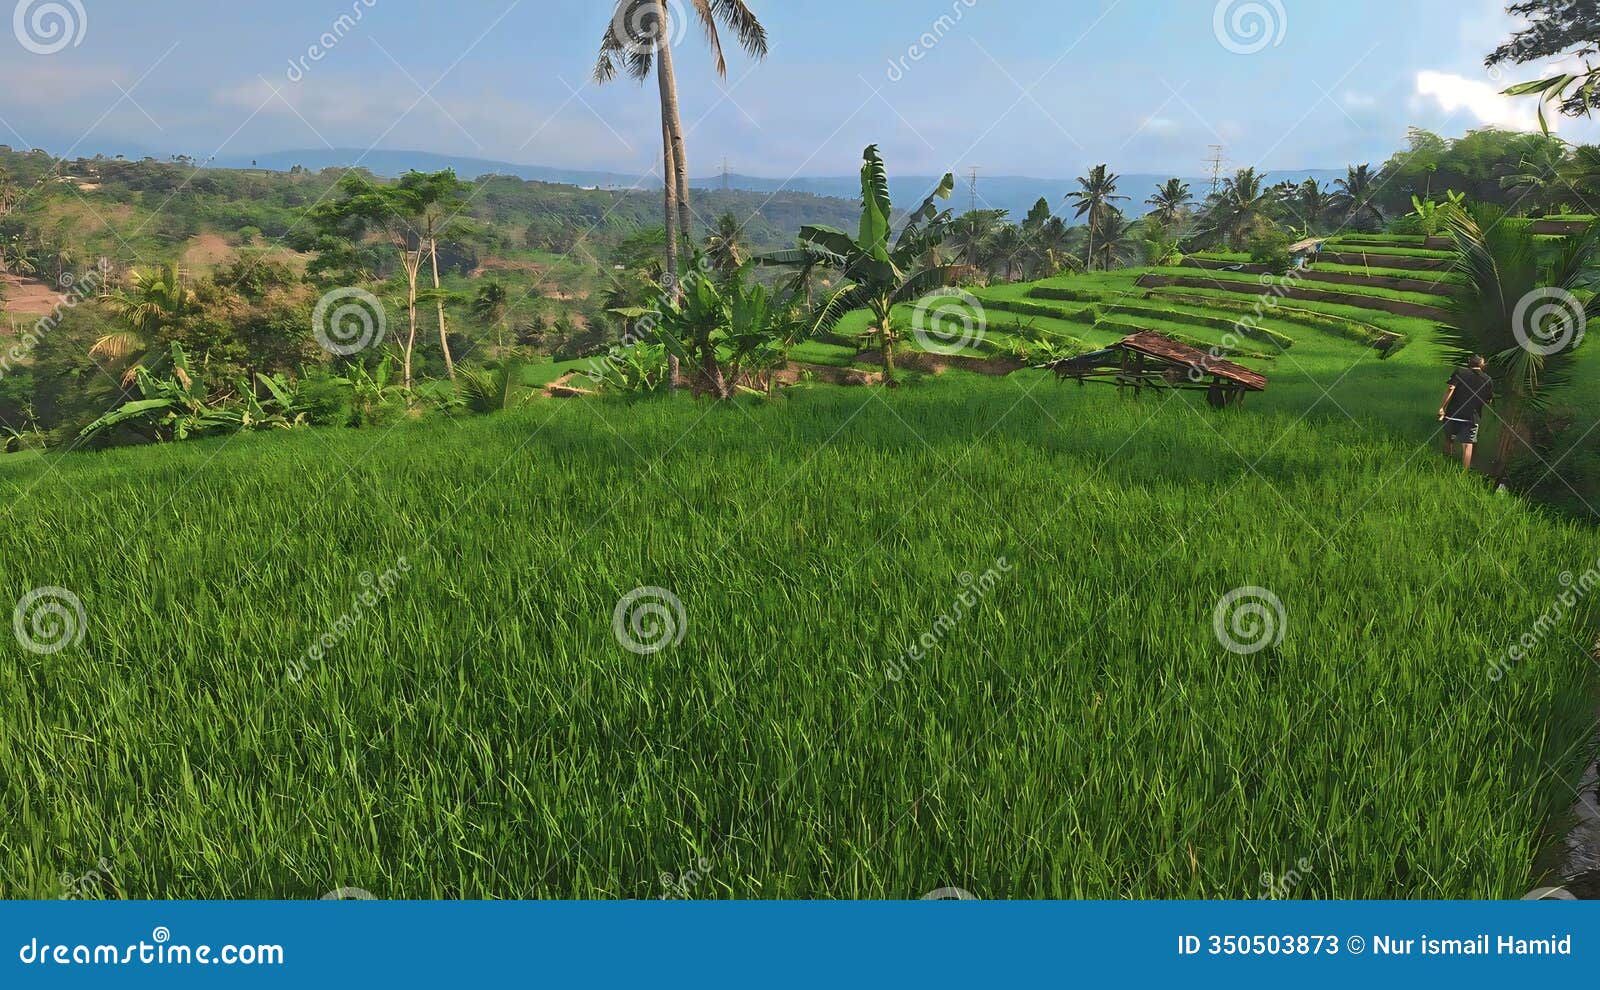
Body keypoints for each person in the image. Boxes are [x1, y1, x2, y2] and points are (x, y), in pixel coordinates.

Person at [1438, 356, 1495, 470]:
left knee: (1449, 440)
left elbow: (1451, 388)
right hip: (1472, 417)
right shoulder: (1488, 379)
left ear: (1469, 362)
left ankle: (1445, 464)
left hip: (1452, 414)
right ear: (1482, 365)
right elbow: (1488, 400)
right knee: (1468, 445)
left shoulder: (1459, 372)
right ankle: (1464, 473)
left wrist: (1442, 408)